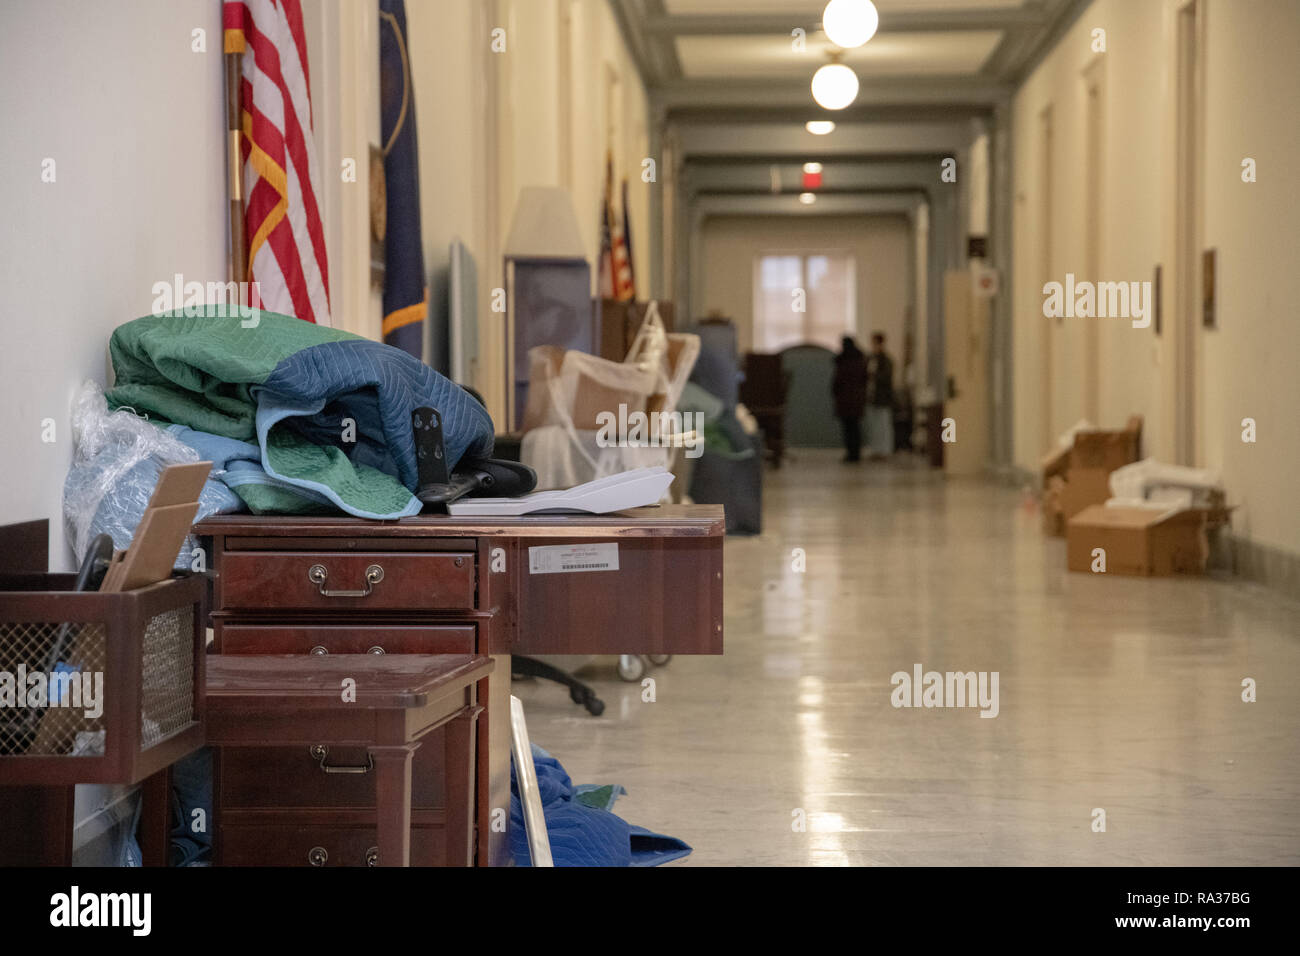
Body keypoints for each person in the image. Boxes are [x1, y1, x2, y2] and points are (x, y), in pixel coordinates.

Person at [832, 335, 868, 462]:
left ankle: (851, 453)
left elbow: (837, 382)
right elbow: (865, 380)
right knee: (855, 428)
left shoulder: (843, 361)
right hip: (857, 400)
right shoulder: (860, 360)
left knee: (848, 429)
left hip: (845, 401)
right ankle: (855, 453)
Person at [865, 331, 895, 459]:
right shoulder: (870, 358)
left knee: (884, 425)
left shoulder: (886, 360)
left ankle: (885, 451)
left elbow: (886, 377)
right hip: (872, 397)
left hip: (883, 397)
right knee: (874, 426)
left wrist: (874, 376)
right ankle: (876, 450)